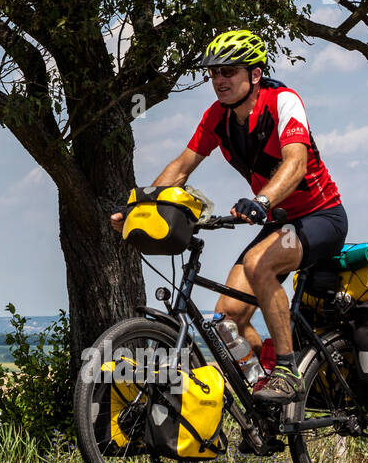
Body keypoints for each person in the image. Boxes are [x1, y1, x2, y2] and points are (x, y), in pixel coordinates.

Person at [111, 29, 347, 406]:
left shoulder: (282, 101)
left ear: (254, 74)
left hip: (320, 216)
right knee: (226, 320)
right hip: (278, 222)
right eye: (213, 73)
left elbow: (296, 163)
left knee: (258, 264)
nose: (219, 80)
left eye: (228, 71)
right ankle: (264, 393)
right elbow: (182, 167)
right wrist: (142, 206)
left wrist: (262, 199)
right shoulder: (217, 117)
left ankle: (288, 373)